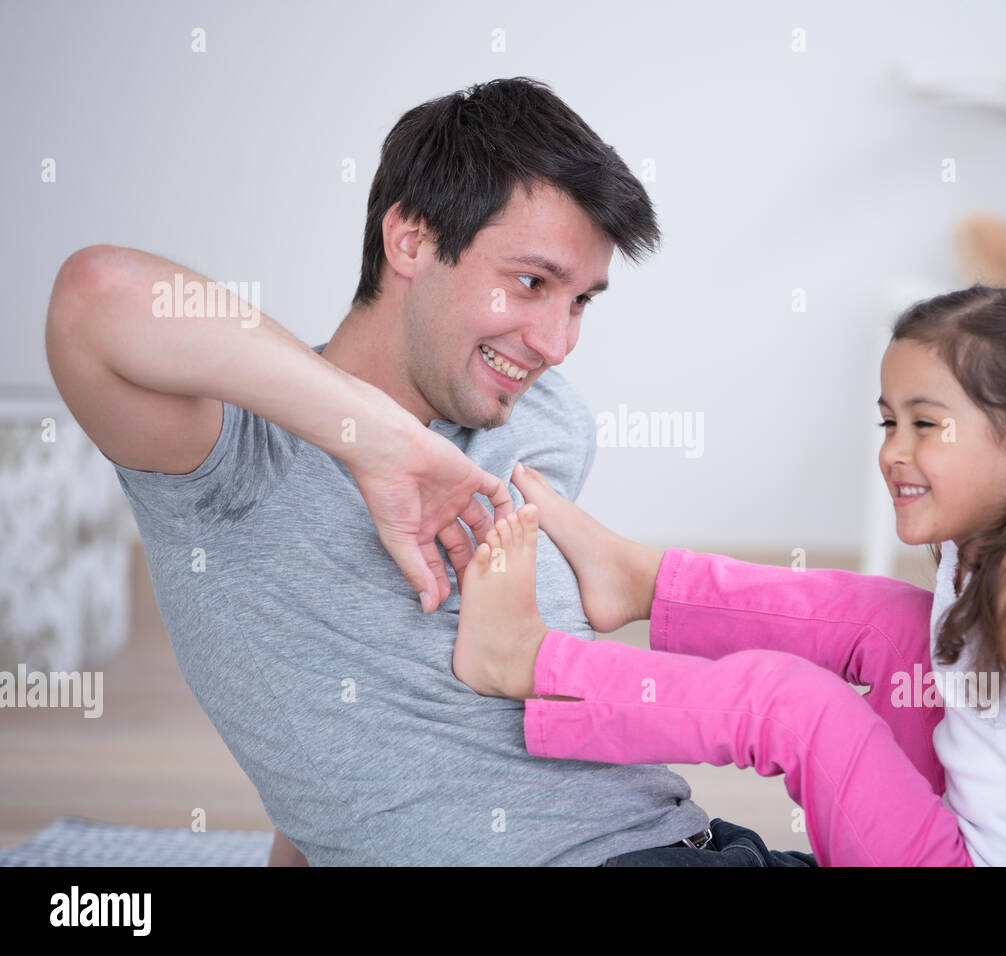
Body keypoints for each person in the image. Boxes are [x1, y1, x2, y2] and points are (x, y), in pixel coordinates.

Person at [45, 77, 814, 866]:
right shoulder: (235, 455)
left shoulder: (547, 424)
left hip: (700, 843)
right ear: (410, 240)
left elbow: (373, 733)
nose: (556, 344)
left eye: (581, 301)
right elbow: (94, 297)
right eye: (531, 283)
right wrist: (379, 442)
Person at [453, 283, 1006, 866]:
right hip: (964, 833)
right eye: (890, 421)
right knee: (895, 623)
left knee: (797, 707)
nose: (893, 451)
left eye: (926, 424)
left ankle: (534, 664)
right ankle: (639, 580)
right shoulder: (1000, 540)